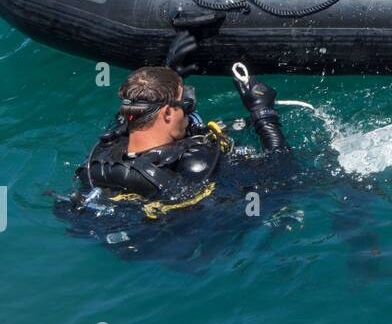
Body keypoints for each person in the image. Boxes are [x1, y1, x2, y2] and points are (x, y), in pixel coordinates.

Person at [72, 64, 290, 213]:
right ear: (167, 113)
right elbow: (283, 173)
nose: (189, 113)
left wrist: (166, 73)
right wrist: (263, 114)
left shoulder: (101, 156)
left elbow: (131, 113)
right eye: (186, 106)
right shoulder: (197, 165)